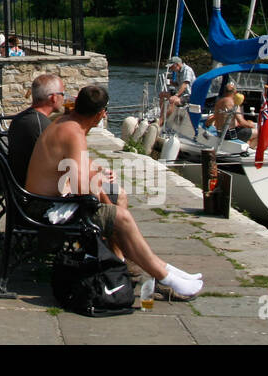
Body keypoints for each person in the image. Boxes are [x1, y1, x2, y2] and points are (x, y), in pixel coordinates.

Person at [26, 85, 204, 300]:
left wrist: (96, 172)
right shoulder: (73, 133)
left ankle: (120, 263)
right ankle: (165, 276)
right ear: (101, 114)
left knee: (118, 195)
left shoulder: (66, 123)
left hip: (42, 201)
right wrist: (101, 193)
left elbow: (73, 165)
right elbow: (82, 188)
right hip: (45, 209)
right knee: (121, 218)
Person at [7, 73, 65, 185]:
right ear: (53, 97)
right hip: (33, 192)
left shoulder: (20, 118)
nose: (64, 98)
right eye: (63, 94)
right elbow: (59, 166)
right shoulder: (41, 126)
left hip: (18, 185)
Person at [209, 79, 255, 144]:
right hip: (230, 134)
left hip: (219, 133)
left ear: (225, 91)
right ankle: (251, 150)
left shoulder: (219, 102)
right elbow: (241, 122)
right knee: (258, 132)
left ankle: (246, 147)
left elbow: (215, 117)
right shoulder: (234, 103)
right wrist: (252, 125)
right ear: (235, 92)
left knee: (247, 133)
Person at [160, 57, 195, 127]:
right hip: (181, 93)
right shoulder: (179, 71)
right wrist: (171, 82)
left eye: (172, 67)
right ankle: (162, 115)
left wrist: (176, 95)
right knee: (162, 94)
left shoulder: (187, 70)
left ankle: (162, 121)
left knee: (172, 100)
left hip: (189, 94)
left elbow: (185, 84)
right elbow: (178, 84)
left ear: (177, 64)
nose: (171, 69)